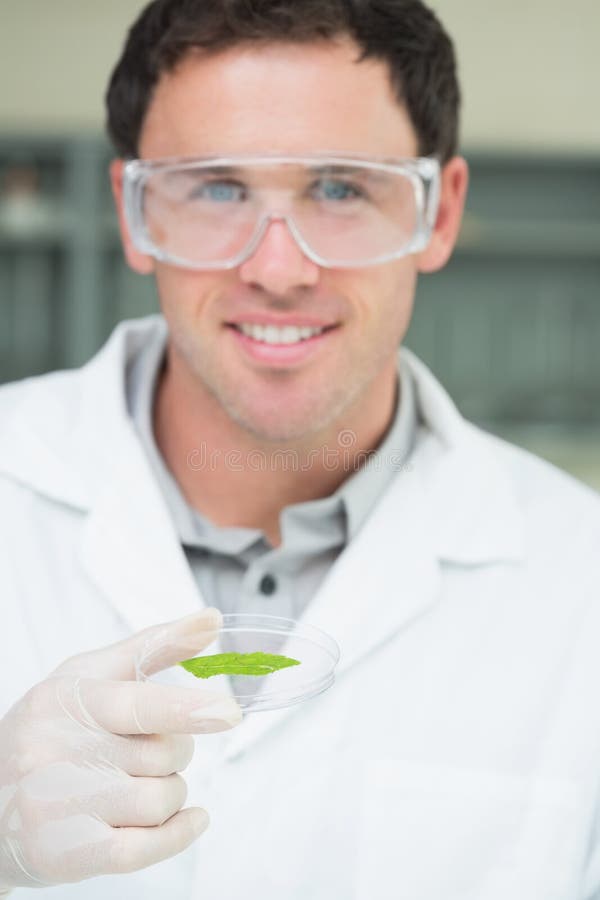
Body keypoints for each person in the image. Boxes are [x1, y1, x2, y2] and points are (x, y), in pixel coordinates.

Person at [1, 0, 599, 897]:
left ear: (440, 214)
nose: (278, 270)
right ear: (133, 214)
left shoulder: (580, 578)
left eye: (340, 188)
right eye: (216, 187)